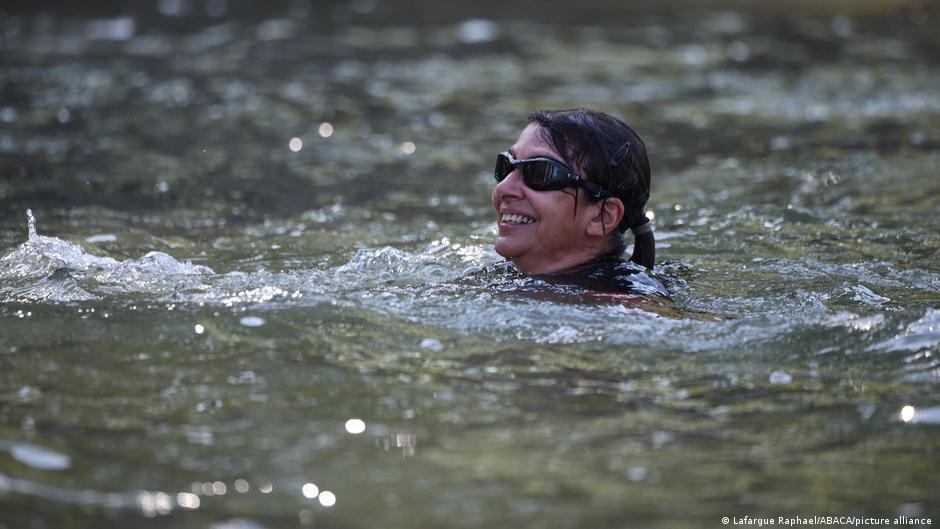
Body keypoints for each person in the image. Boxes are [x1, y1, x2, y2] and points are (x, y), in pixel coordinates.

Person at [489, 108, 668, 298]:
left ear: (603, 218)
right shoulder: (498, 279)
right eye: (506, 166)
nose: (503, 189)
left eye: (540, 173)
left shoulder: (627, 306)